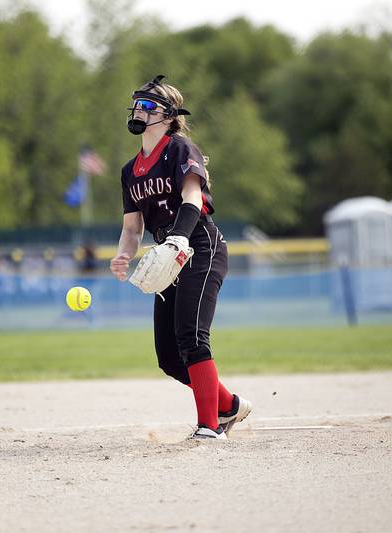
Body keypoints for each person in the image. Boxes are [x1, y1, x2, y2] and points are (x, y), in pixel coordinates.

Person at [109, 75, 252, 440]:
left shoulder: (179, 148)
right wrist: (123, 254)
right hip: (167, 256)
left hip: (200, 246)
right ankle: (230, 406)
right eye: (137, 104)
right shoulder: (129, 171)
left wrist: (178, 238)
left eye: (148, 106)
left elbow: (192, 198)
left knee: (192, 337)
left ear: (169, 116)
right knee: (170, 359)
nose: (139, 111)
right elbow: (132, 228)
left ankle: (210, 426)